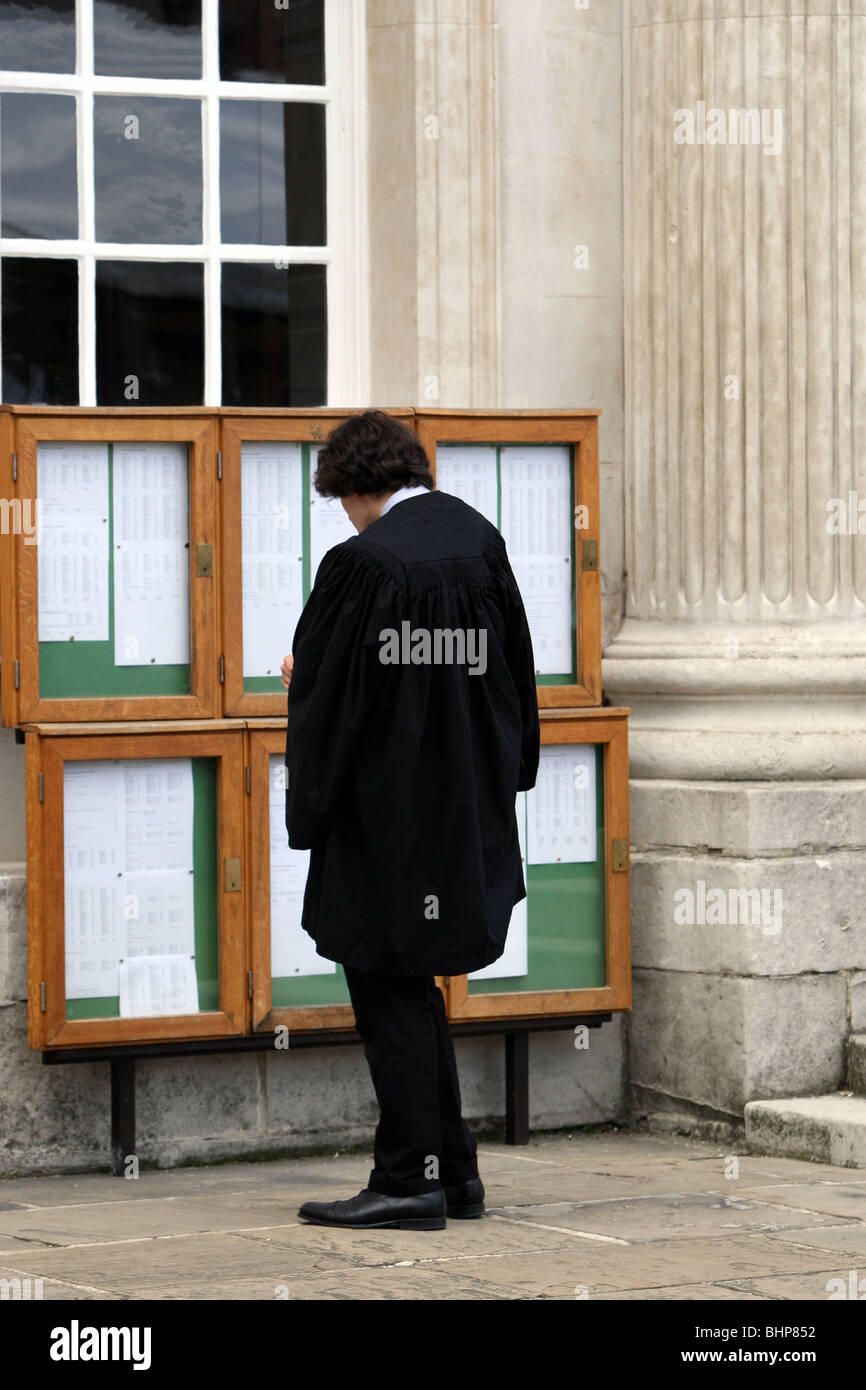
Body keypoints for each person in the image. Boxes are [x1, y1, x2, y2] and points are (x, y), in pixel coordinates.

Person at [281, 409, 539, 1231]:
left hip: (387, 819)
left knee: (386, 980)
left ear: (359, 488)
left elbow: (332, 701)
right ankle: (452, 1172)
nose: (346, 516)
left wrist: (300, 683)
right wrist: (507, 785)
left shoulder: (362, 562)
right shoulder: (479, 538)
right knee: (413, 983)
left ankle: (406, 1181)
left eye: (345, 500)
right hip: (463, 811)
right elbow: (515, 679)